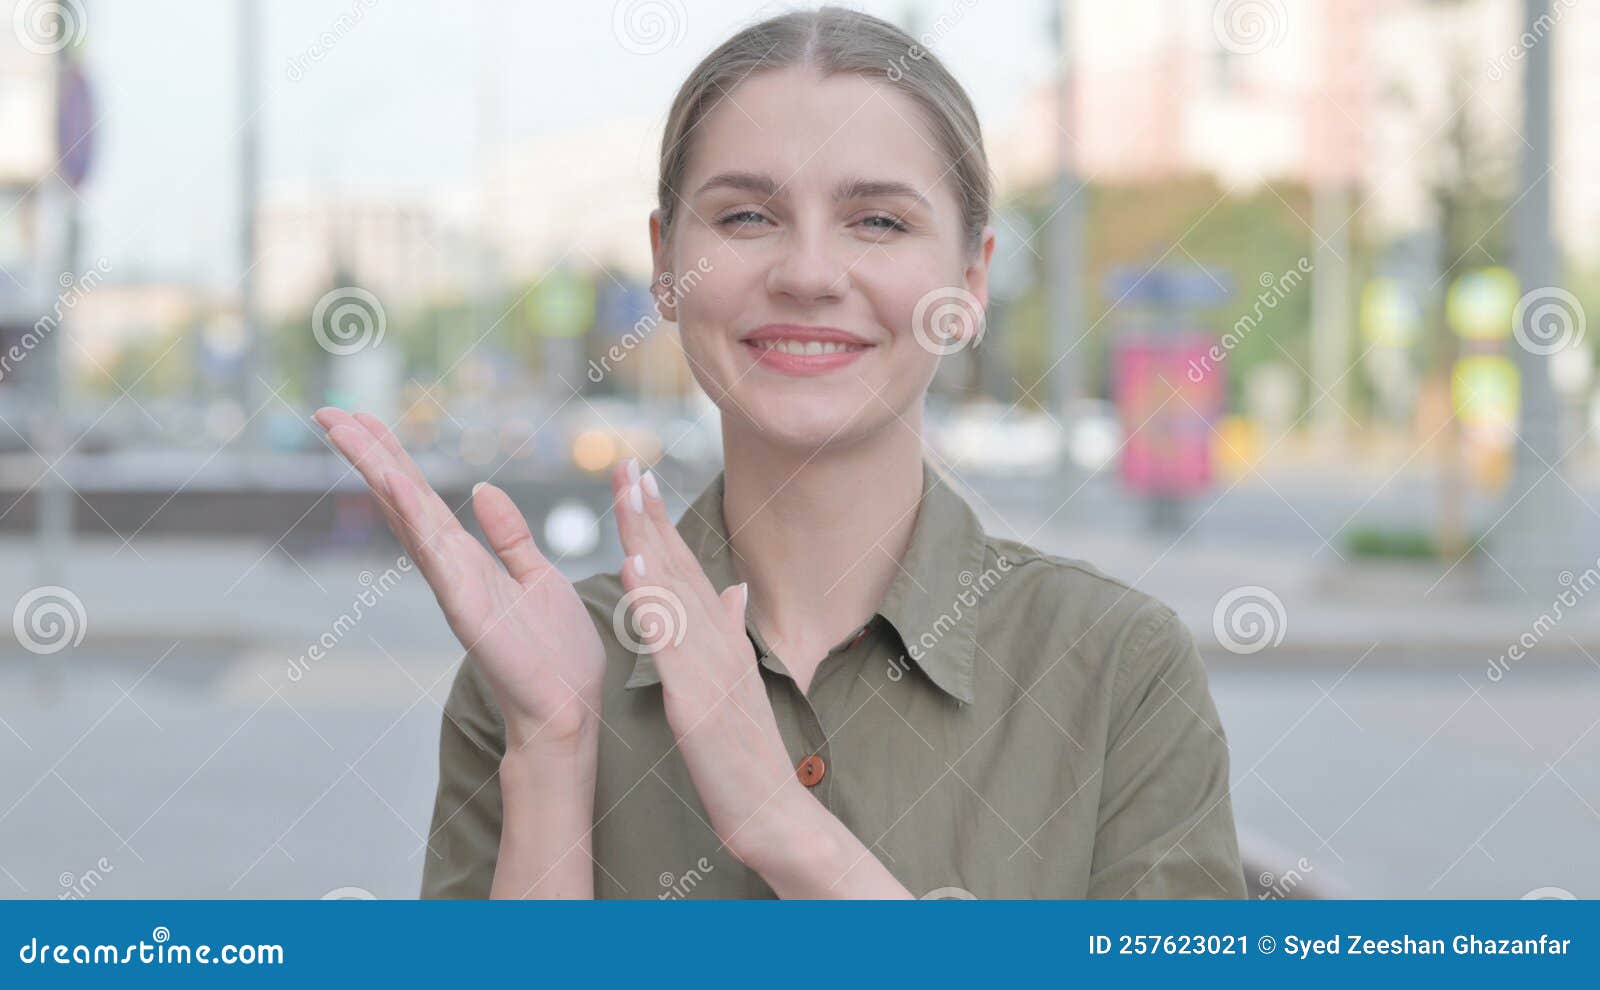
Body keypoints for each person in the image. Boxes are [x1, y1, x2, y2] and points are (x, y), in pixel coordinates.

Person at [314, 6, 1244, 899]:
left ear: (970, 280)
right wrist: (555, 745)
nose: (806, 273)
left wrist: (784, 828)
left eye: (878, 221)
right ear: (665, 266)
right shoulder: (537, 671)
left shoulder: (1116, 666)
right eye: (748, 218)